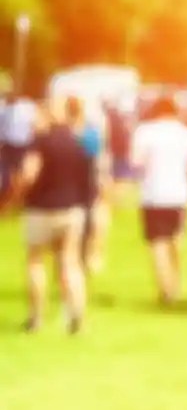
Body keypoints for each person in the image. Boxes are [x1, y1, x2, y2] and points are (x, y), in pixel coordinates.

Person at [7, 98, 88, 333]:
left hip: (40, 209)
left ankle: (36, 318)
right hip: (72, 209)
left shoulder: (40, 142)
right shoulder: (77, 141)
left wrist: (15, 196)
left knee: (36, 262)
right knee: (70, 263)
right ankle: (77, 318)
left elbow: (29, 174)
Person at [131, 96, 187, 304]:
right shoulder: (186, 133)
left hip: (153, 194)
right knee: (176, 239)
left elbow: (137, 162)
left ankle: (165, 289)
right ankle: (177, 284)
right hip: (179, 193)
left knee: (157, 243)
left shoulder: (145, 132)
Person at [66, 97, 112, 283]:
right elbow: (100, 162)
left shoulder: (64, 133)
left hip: (70, 188)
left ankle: (74, 263)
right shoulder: (90, 134)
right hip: (87, 186)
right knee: (90, 225)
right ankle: (88, 259)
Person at [2, 90, 38, 199]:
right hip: (8, 144)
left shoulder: (26, 108)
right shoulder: (3, 108)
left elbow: (33, 125)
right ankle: (10, 192)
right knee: (8, 170)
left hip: (23, 144)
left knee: (20, 170)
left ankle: (18, 194)